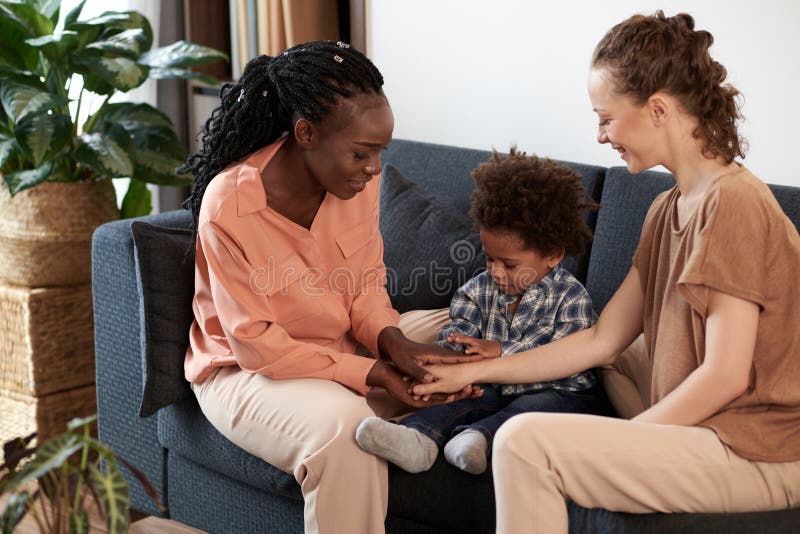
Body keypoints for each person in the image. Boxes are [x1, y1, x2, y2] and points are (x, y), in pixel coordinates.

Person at [409, 11, 800, 533]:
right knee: (610, 365)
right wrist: (469, 371)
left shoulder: (733, 205)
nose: (600, 136)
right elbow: (601, 341)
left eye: (605, 117)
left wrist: (631, 438)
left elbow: (725, 375)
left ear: (658, 109)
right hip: (710, 433)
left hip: (759, 449)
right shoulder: (668, 208)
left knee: (524, 441)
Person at [179, 41, 476, 534]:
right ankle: (394, 407)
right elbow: (257, 346)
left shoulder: (355, 184)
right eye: (362, 153)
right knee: (349, 434)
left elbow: (363, 283)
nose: (375, 169)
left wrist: (391, 338)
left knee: (472, 337)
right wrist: (373, 373)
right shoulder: (229, 205)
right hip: (247, 372)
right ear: (306, 133)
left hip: (340, 347)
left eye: (380, 152)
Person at [355, 149, 608, 475]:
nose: (496, 272)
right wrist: (448, 356)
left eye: (510, 264)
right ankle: (416, 438)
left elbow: (562, 357)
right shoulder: (479, 290)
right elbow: (458, 330)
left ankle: (479, 440)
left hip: (560, 391)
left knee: (531, 408)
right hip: (492, 385)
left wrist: (500, 351)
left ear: (553, 255)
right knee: (468, 397)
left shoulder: (570, 295)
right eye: (490, 259)